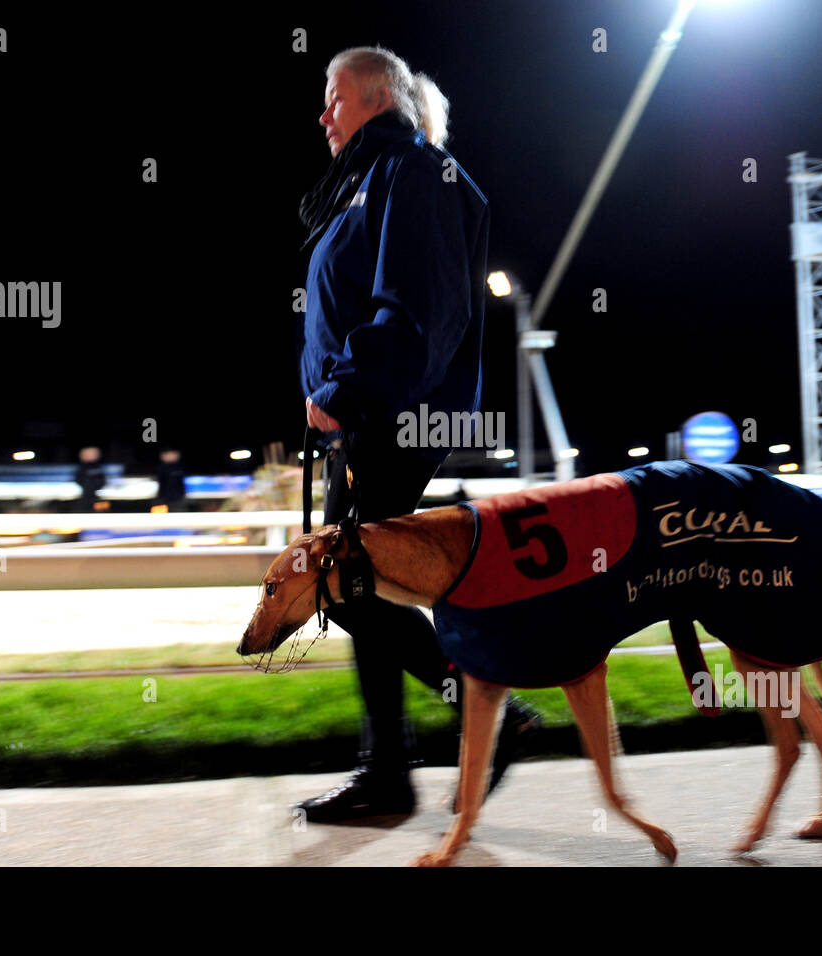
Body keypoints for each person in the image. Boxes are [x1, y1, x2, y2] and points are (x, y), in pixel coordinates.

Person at [295, 46, 537, 821]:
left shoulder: (413, 173)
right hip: (368, 415)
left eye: (333, 97)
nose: (322, 114)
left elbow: (421, 307)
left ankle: (475, 715)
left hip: (392, 412)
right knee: (361, 582)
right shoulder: (370, 180)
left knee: (349, 580)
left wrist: (343, 389)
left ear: (372, 96)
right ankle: (394, 770)